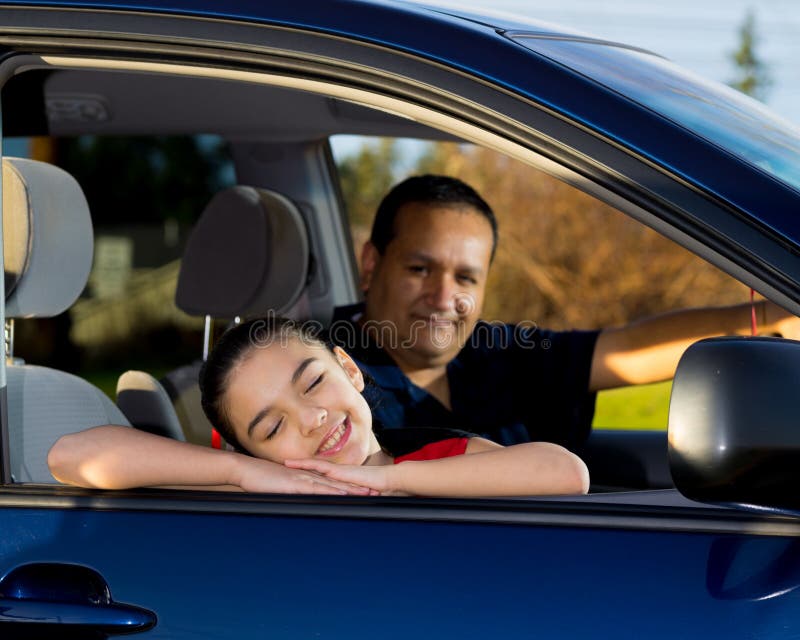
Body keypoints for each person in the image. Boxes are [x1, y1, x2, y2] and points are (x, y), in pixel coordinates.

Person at [326, 174, 800, 448]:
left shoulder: (498, 353)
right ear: (372, 264)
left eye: (466, 278)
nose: (445, 297)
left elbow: (625, 350)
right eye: (419, 268)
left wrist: (772, 320)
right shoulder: (317, 377)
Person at [48, 317, 589, 497]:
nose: (311, 419)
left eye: (312, 384)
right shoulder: (260, 484)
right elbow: (72, 456)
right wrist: (240, 473)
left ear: (350, 370)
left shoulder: (441, 457)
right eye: (272, 425)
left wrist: (390, 482)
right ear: (250, 450)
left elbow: (564, 474)